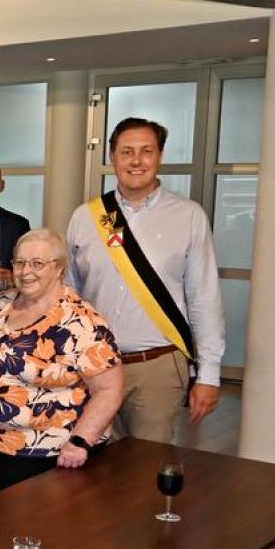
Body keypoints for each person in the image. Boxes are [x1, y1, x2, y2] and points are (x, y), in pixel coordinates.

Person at [64, 118, 224, 443]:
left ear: (160, 155)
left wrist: (209, 374)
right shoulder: (87, 217)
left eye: (146, 151)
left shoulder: (189, 216)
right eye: (126, 152)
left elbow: (204, 298)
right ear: (112, 157)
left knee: (145, 472)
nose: (136, 161)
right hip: (94, 366)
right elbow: (69, 296)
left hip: (158, 367)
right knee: (90, 468)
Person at [0, 231, 124, 498]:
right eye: (20, 262)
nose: (26, 271)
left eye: (37, 264)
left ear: (59, 267)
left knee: (33, 537)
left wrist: (80, 442)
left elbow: (109, 390)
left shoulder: (80, 320)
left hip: (44, 458)